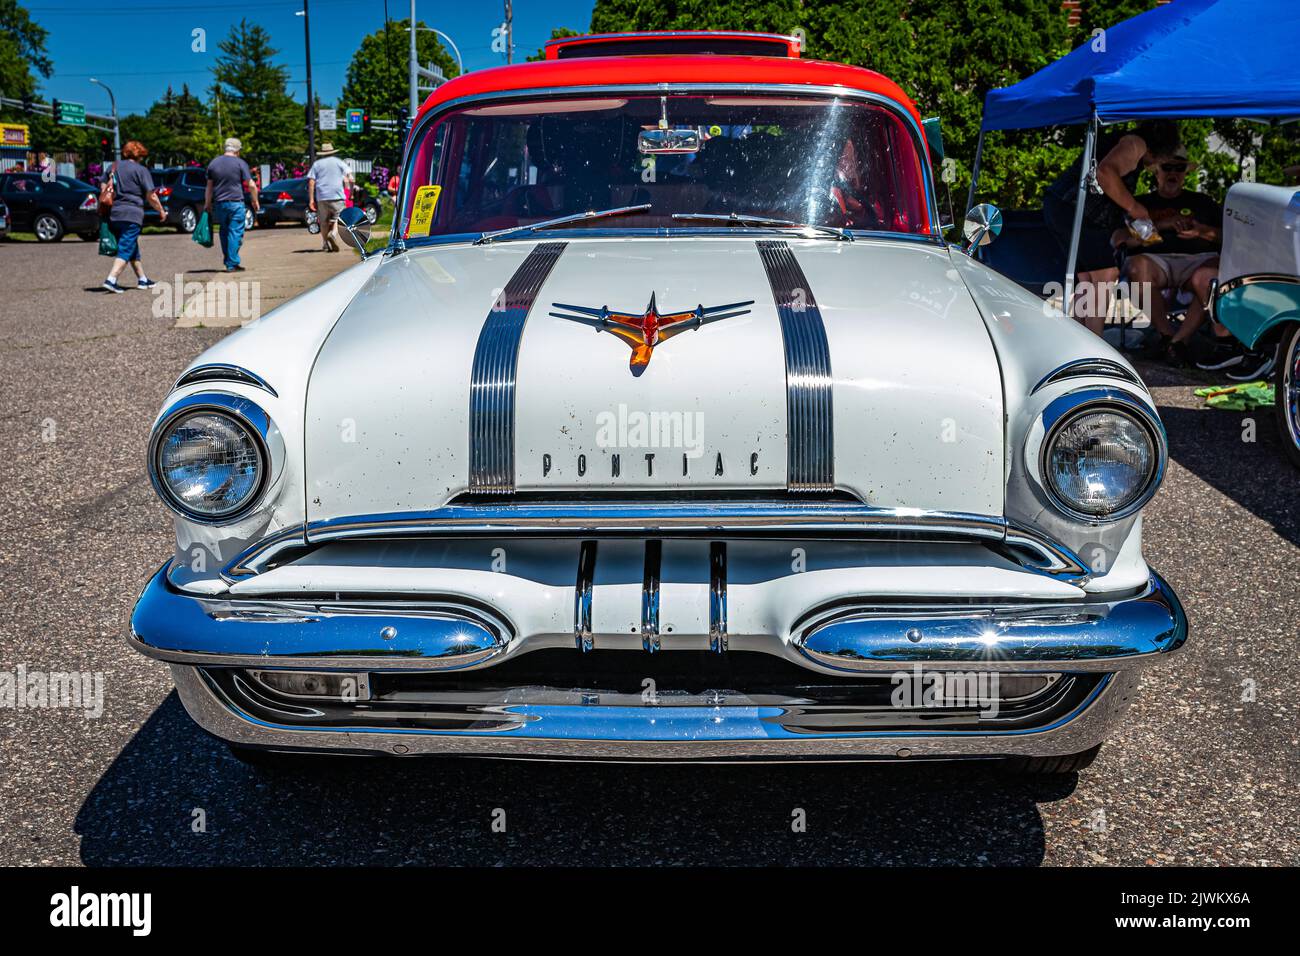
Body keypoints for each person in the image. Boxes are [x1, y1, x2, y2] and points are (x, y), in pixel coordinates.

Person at [1041, 121, 1182, 335]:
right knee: (1106, 274)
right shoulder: (1136, 144)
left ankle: (1075, 340)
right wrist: (1135, 207)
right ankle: (1093, 347)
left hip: (1065, 207)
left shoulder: (1124, 142)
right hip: (1075, 207)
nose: (1157, 165)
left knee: (1088, 279)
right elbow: (1105, 173)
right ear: (1161, 148)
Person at [1110, 145, 1223, 365]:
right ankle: (1167, 336)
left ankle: (1178, 343)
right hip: (1156, 262)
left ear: (1185, 173)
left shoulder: (1203, 202)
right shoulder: (1141, 203)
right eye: (1167, 167)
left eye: (1179, 168)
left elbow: (1228, 237)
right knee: (1136, 267)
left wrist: (1201, 232)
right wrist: (1163, 225)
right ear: (1156, 171)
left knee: (1210, 277)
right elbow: (1119, 239)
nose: (1173, 173)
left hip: (1199, 261)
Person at [102, 140, 166, 294]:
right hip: (132, 214)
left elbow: (104, 187)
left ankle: (142, 279)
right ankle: (111, 279)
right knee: (126, 247)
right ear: (140, 155)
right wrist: (161, 211)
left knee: (131, 247)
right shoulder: (141, 170)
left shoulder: (113, 167)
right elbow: (151, 195)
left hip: (114, 214)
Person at [204, 138, 260, 272]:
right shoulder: (240, 163)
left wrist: (207, 203)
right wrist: (255, 200)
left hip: (220, 204)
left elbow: (209, 187)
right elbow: (251, 184)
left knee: (224, 232)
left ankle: (229, 260)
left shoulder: (213, 163)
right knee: (235, 233)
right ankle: (232, 263)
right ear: (237, 150)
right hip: (236, 203)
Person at [307, 143, 353, 253]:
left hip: (322, 196)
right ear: (332, 152)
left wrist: (311, 199)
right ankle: (333, 234)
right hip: (337, 195)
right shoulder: (339, 162)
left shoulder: (317, 164)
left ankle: (325, 244)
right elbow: (351, 179)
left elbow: (311, 182)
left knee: (323, 221)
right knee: (339, 217)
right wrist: (351, 193)